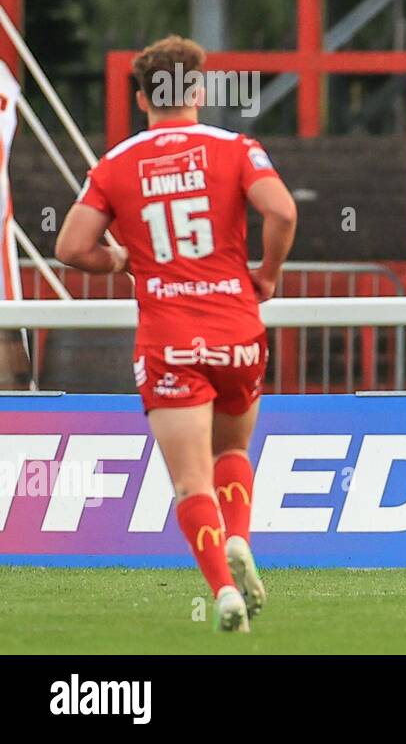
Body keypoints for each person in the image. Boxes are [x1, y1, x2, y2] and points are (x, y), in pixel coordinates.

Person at [55, 35, 297, 631]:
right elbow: (284, 211)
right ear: (199, 90)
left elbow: (69, 247)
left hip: (167, 339)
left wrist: (118, 261)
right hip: (237, 328)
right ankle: (239, 537)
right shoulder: (236, 148)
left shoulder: (116, 164)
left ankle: (223, 592)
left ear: (142, 97)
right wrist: (266, 275)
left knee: (191, 480)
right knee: (233, 451)